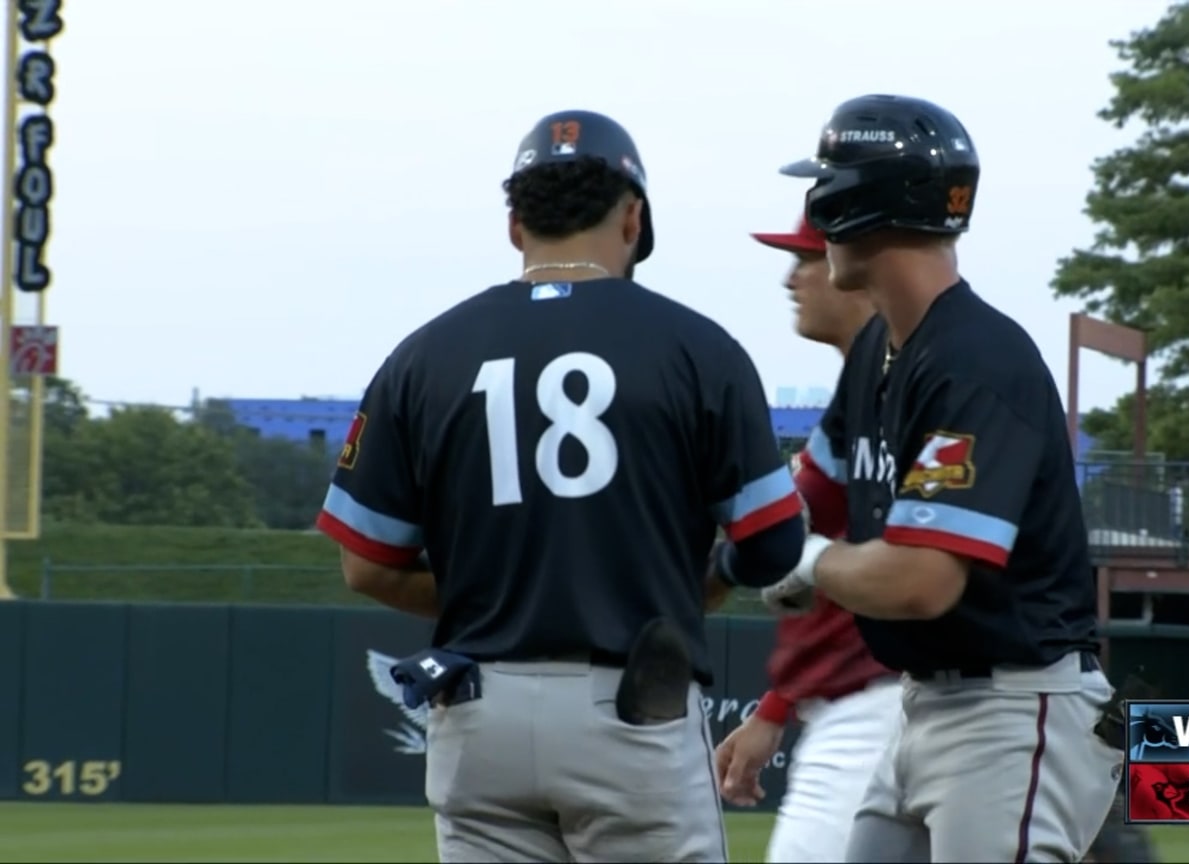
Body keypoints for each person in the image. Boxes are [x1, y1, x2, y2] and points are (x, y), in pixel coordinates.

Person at [314, 109, 806, 863]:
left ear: (516, 225)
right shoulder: (698, 348)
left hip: (477, 711)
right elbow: (774, 544)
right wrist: (700, 579)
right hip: (630, 706)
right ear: (633, 218)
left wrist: (506, 595)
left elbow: (367, 565)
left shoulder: (423, 355)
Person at [758, 94, 1123, 863]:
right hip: (927, 702)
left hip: (1015, 709)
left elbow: (921, 581)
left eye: (825, 185)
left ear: (858, 202)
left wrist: (805, 559)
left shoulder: (975, 360)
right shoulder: (879, 350)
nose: (815, 211)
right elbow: (799, 501)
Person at [712, 214, 900, 862]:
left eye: (806, 259)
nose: (791, 279)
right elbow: (796, 528)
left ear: (854, 270)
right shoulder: (861, 389)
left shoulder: (911, 383)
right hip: (877, 702)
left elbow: (807, 546)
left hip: (884, 700)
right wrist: (776, 705)